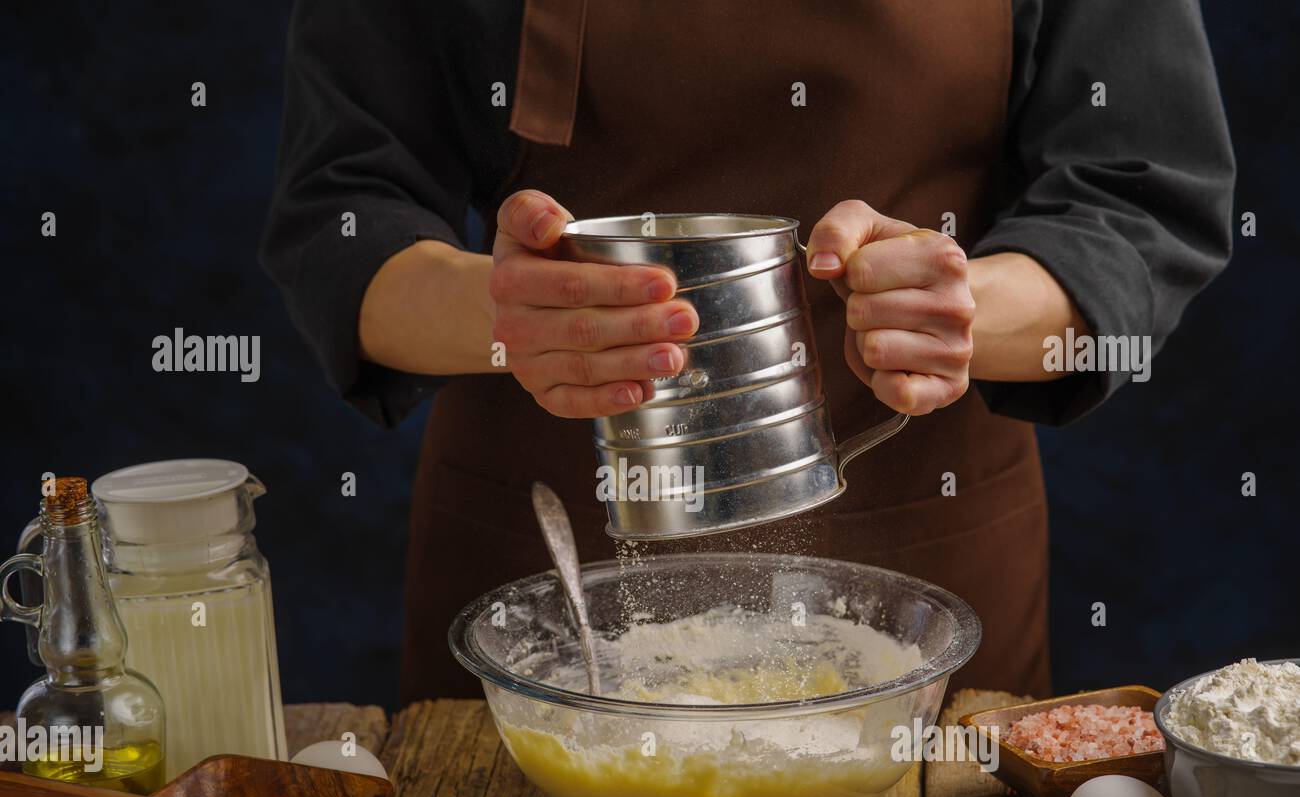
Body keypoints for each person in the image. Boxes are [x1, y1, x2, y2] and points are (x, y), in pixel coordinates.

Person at [261, 1, 1234, 702]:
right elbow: (342, 208)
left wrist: (960, 307)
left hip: (926, 549)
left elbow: (1140, 194)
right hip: (544, 559)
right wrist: (508, 314)